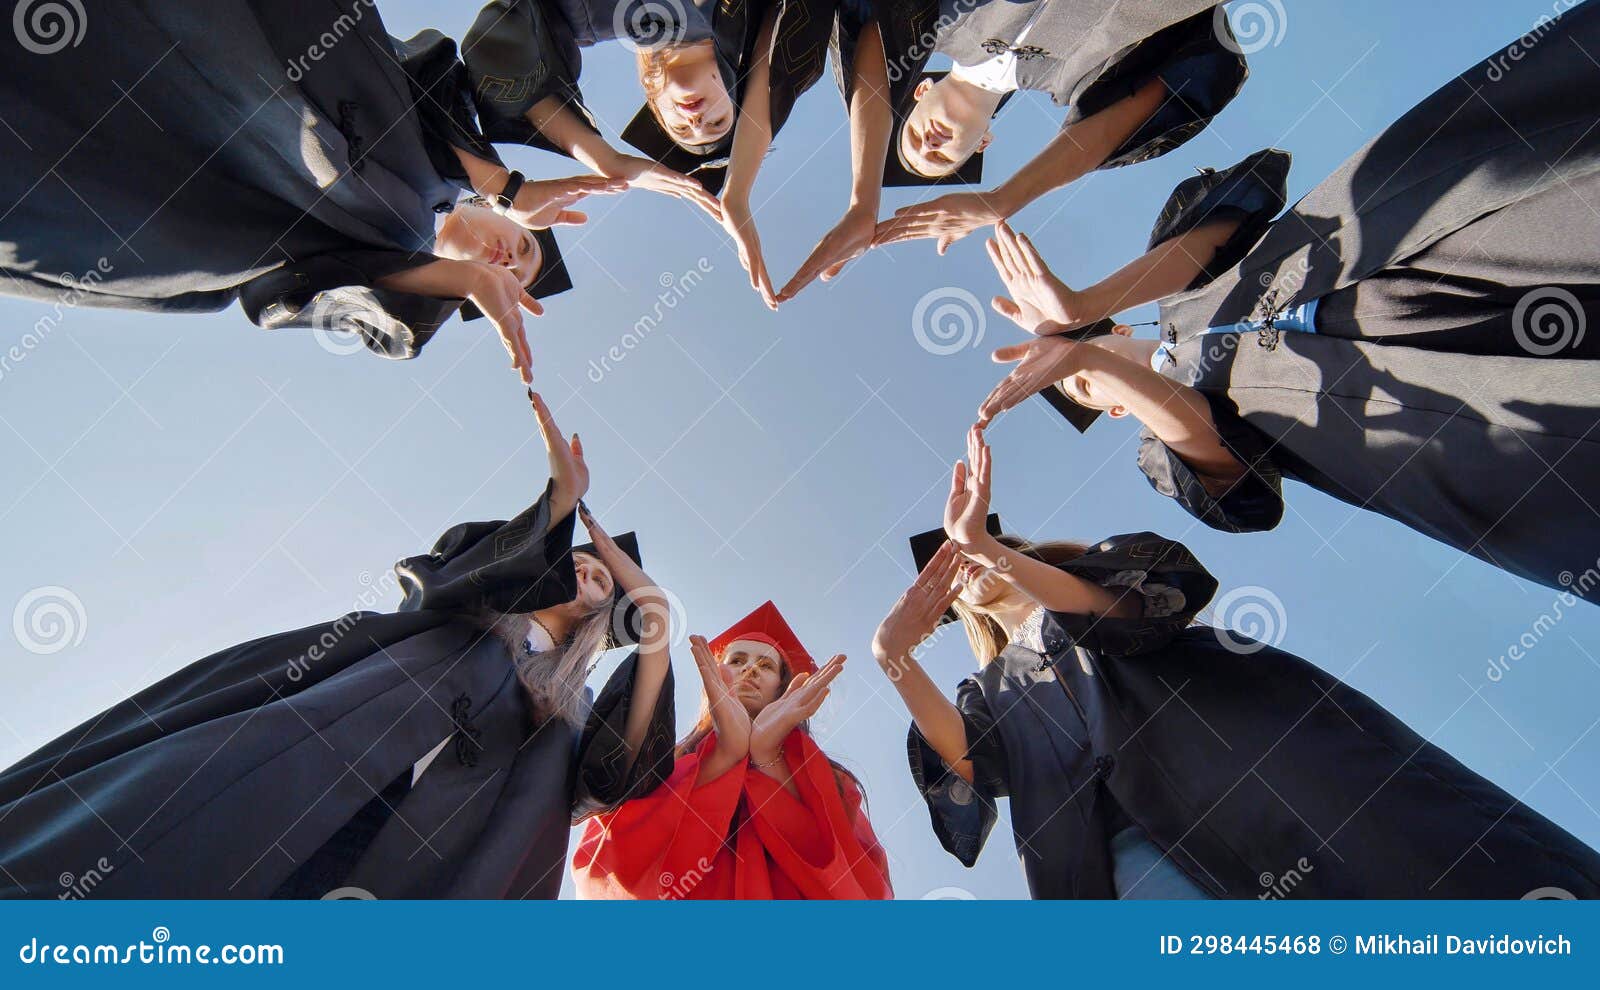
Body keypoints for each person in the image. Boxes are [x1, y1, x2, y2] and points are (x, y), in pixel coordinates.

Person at [977, 1, 1600, 600]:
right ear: (1112, 412)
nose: (1085, 371)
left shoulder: (1169, 291)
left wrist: (1080, 303)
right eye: (1082, 388)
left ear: (1113, 330)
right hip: (1409, 405)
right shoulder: (1160, 445)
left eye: (1087, 351)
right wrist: (1083, 362)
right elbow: (1218, 460)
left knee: (1558, 199)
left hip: (1390, 244)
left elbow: (1222, 226)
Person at [871, 426, 1600, 898]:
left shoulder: (1089, 575)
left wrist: (988, 546)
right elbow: (973, 769)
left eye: (979, 555)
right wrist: (894, 658)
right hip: (1112, 863)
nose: (971, 570)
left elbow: (1139, 608)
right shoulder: (991, 688)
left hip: (1251, 771)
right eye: (958, 570)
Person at [0, 394, 675, 899]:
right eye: (581, 563)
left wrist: (656, 617)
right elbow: (444, 573)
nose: (588, 575)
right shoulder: (468, 611)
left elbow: (613, 775)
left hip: (425, 856)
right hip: (311, 771)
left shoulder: (570, 710)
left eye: (601, 581)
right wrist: (559, 503)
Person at [0, 0, 627, 382]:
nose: (510, 262)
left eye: (515, 277)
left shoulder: (382, 267)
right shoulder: (448, 148)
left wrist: (463, 282)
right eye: (524, 248)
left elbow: (289, 294)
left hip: (159, 168)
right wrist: (505, 183)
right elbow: (437, 76)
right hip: (239, 40)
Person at [857, 0, 1247, 261]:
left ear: (921, 88)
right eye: (940, 158)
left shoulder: (936, 21)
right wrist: (1002, 200)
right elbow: (1131, 111)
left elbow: (868, 26)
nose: (928, 147)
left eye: (912, 138)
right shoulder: (1074, 80)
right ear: (983, 144)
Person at [573, 601, 893, 898]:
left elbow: (859, 885)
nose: (749, 670)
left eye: (765, 666)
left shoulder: (827, 779)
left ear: (782, 687)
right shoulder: (666, 759)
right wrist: (725, 755)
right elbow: (612, 866)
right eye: (737, 660)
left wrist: (768, 758)